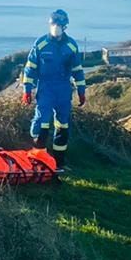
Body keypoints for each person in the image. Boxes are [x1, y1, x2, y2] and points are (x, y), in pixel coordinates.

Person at [22, 9, 86, 164]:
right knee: (41, 122)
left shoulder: (71, 46)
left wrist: (81, 91)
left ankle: (58, 162)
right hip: (46, 88)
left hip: (64, 90)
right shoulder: (41, 44)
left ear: (65, 27)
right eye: (53, 24)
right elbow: (30, 68)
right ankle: (39, 159)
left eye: (59, 24)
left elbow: (78, 70)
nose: (55, 27)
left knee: (63, 124)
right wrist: (27, 90)